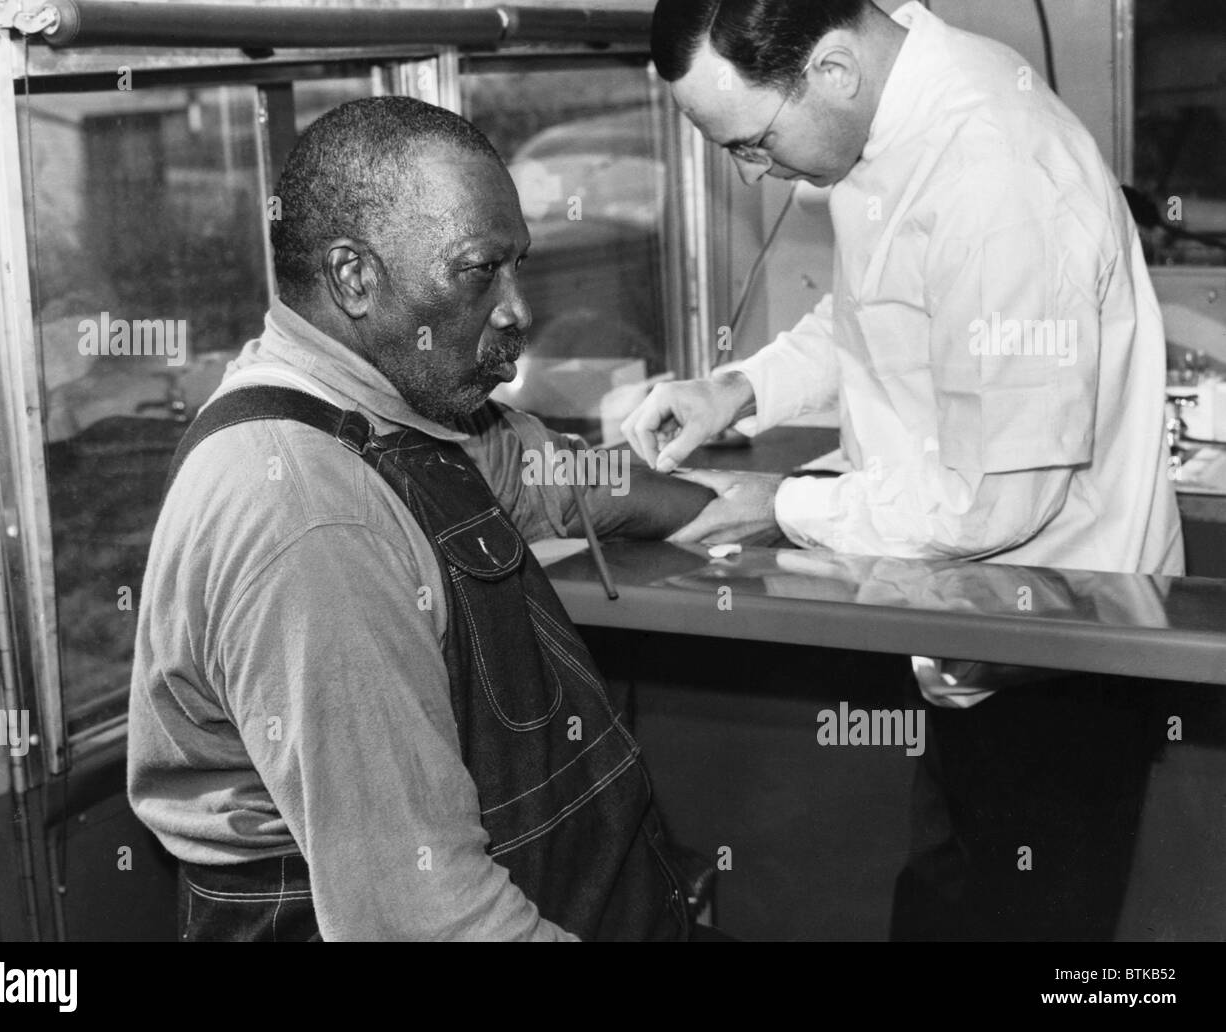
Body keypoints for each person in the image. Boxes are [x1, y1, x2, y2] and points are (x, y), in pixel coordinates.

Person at [632, 0, 1183, 938]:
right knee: (946, 901)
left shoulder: (994, 169)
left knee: (1029, 928)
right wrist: (739, 389)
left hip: (1059, 646)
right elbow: (873, 313)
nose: (755, 174)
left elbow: (993, 500)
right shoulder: (886, 124)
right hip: (971, 625)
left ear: (834, 70)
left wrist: (783, 506)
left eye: (753, 143)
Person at [127, 96, 717, 941]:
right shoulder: (311, 519)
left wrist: (738, 508)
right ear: (355, 278)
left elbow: (550, 476)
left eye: (518, 266)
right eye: (481, 270)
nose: (516, 310)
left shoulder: (394, 404)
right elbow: (422, 920)